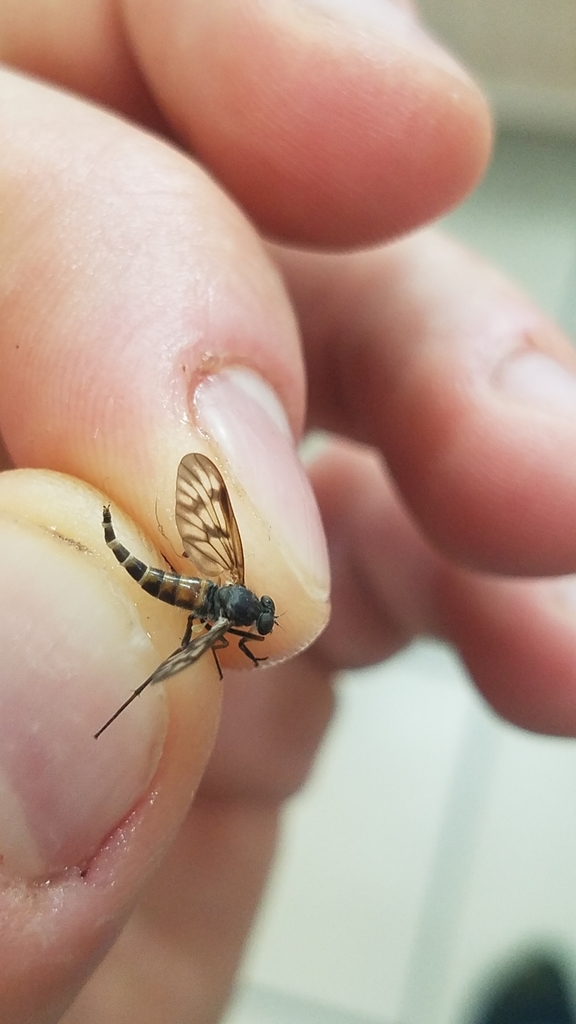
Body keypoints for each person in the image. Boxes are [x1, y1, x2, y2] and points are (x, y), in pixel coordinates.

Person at [0, 1, 575, 1021]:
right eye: (251, 621)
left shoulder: (226, 605)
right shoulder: (221, 610)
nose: (256, 622)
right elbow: (190, 536)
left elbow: (198, 529)